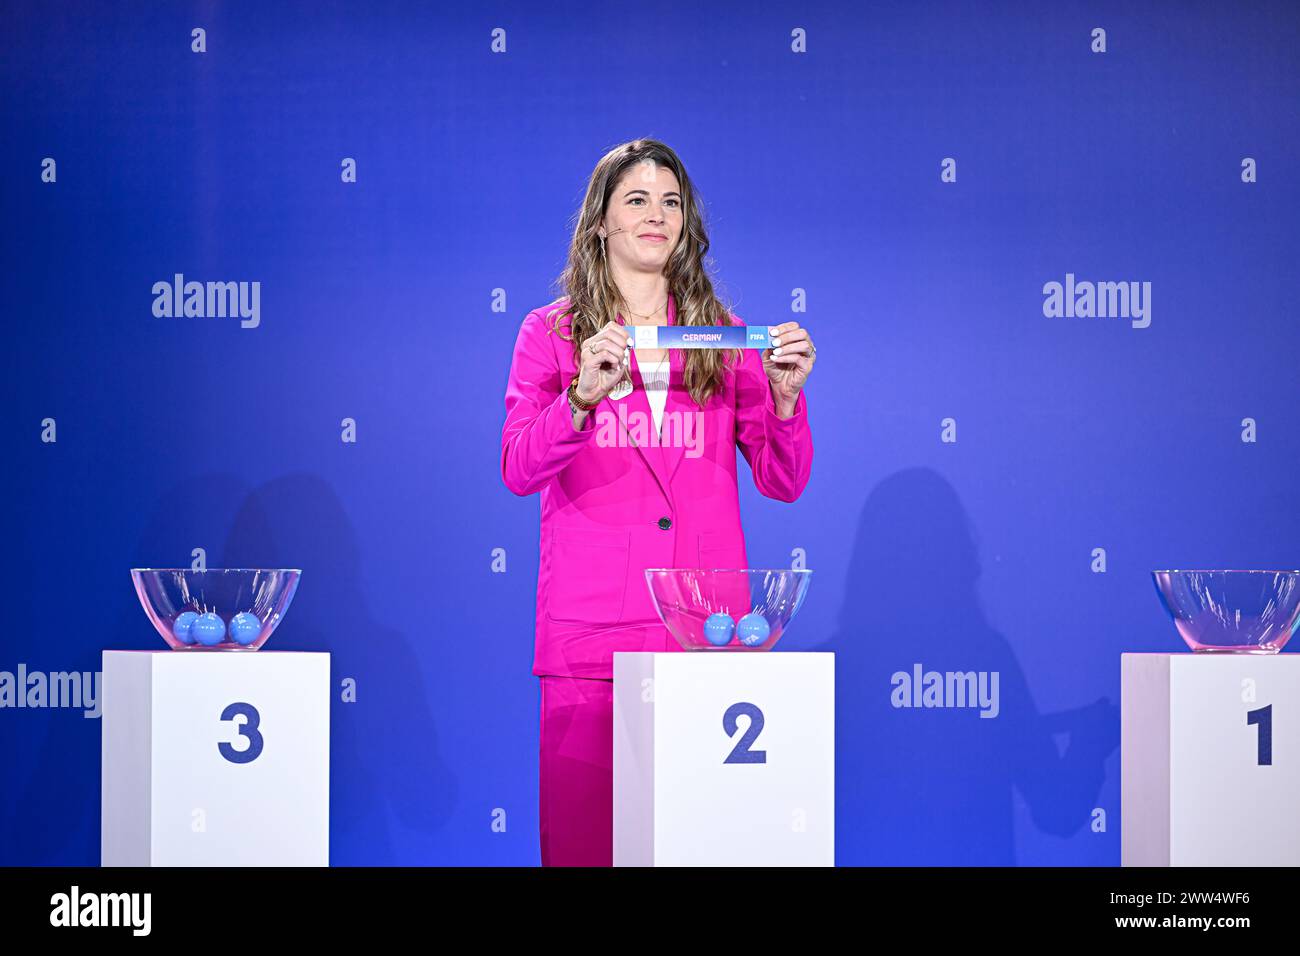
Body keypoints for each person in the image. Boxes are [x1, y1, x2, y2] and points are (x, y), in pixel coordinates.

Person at [500, 138, 817, 866]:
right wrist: (579, 397)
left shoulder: (725, 339)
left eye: (670, 202)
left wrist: (787, 398)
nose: (656, 215)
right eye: (636, 200)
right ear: (602, 223)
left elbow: (782, 478)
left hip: (701, 640)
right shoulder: (548, 336)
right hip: (590, 650)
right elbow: (519, 468)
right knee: (584, 851)